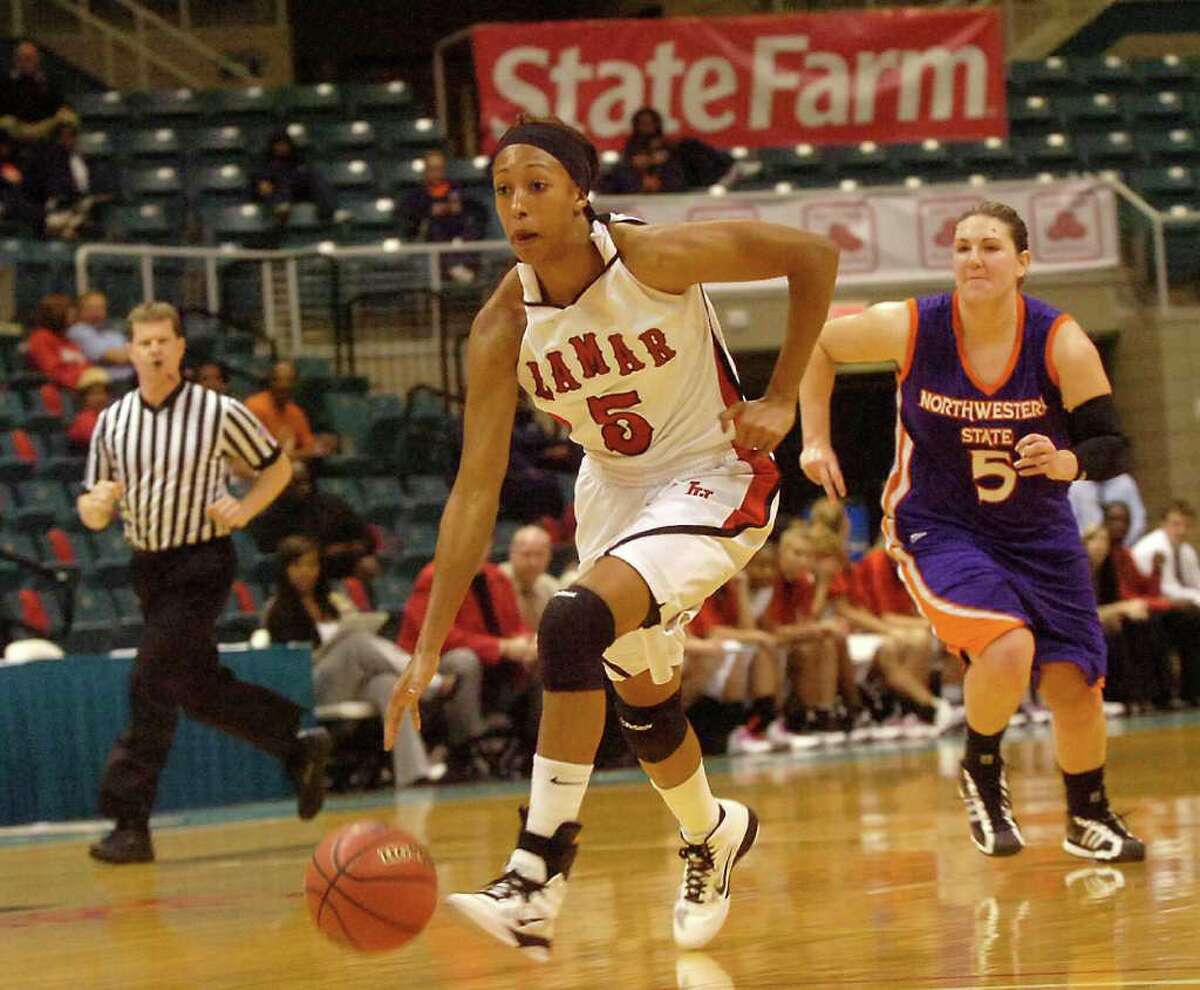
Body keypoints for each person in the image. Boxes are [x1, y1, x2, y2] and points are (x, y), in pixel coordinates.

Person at [381, 114, 838, 957]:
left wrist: (779, 395)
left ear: (581, 192)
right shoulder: (500, 328)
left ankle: (535, 874)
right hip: (614, 499)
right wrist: (425, 645)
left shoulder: (652, 257)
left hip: (714, 473)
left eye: (537, 186)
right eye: (503, 191)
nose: (516, 206)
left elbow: (814, 258)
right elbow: (473, 492)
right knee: (647, 706)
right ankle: (714, 831)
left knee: (568, 621)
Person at [799, 200, 1145, 862]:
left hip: (1039, 530)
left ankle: (1087, 816)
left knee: (1074, 679)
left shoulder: (1058, 338)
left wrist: (1067, 460)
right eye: (962, 247)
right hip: (939, 522)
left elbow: (1112, 442)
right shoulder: (915, 325)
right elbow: (820, 342)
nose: (973, 259)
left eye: (989, 247)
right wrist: (815, 439)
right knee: (1008, 646)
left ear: (1022, 263)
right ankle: (981, 772)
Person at [77, 300, 331, 865]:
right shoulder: (112, 421)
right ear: (131, 350)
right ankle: (294, 746)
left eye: (164, 340)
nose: (155, 350)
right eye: (144, 342)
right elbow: (93, 509)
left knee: (150, 677)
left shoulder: (217, 410)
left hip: (201, 562)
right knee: (187, 685)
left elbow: (278, 467)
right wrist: (95, 506)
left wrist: (244, 511)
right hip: (148, 567)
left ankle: (128, 821)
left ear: (180, 346)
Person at [264, 535, 431, 787]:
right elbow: (287, 662)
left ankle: (414, 773)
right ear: (285, 569)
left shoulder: (335, 603)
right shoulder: (276, 611)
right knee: (356, 643)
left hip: (350, 679)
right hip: (311, 685)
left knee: (388, 684)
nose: (305, 572)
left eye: (311, 565)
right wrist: (335, 648)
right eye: (297, 565)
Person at [398, 549, 538, 780]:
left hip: (496, 668)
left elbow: (514, 626)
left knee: (543, 658)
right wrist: (500, 648)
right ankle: (467, 748)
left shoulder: (497, 577)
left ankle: (537, 748)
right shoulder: (433, 578)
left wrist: (528, 642)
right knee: (464, 661)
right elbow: (437, 636)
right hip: (436, 668)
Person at [249, 460, 377, 581]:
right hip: (299, 573)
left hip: (341, 566)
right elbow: (278, 555)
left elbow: (365, 537)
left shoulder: (331, 504)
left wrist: (349, 549)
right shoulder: (269, 517)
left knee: (368, 565)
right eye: (295, 483)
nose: (304, 488)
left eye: (305, 482)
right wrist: (326, 551)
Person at [1130, 500, 1200, 704]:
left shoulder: (1185, 550)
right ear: (1163, 524)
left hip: (1170, 606)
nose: (1181, 530)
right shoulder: (1153, 547)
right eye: (1176, 524)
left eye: (1186, 525)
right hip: (1147, 604)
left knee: (1192, 619)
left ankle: (1192, 690)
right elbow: (1166, 588)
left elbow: (1195, 583)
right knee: (1191, 621)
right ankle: (1175, 692)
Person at [398, 148, 484, 285]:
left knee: (471, 231)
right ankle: (454, 268)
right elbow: (409, 222)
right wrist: (429, 211)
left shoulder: (457, 190)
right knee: (435, 229)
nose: (436, 173)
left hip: (458, 236)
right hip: (432, 241)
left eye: (439, 168)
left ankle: (460, 268)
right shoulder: (416, 195)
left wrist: (457, 209)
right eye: (432, 169)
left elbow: (478, 212)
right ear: (425, 170)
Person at [244, 360, 335, 463]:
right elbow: (258, 453)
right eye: (278, 380)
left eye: (289, 382)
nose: (283, 385)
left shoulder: (295, 412)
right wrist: (296, 455)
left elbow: (309, 447)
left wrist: (321, 443)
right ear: (270, 382)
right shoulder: (254, 406)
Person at [0, 41, 77, 145]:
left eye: (29, 59)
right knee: (6, 122)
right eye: (21, 59)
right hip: (15, 128)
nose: (25, 63)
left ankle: (64, 154)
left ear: (37, 60)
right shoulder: (5, 82)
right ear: (15, 61)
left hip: (44, 127)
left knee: (68, 117)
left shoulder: (49, 81)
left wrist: (63, 113)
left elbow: (61, 105)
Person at [249, 130, 335, 223]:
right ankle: (281, 206)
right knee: (277, 182)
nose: (282, 148)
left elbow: (303, 180)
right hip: (274, 196)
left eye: (284, 144)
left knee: (315, 178)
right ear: (273, 147)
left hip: (297, 194)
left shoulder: (298, 162)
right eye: (278, 145)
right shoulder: (266, 164)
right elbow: (261, 183)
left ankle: (329, 211)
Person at [498, 524, 559, 630]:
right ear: (512, 553)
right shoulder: (495, 581)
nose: (533, 563)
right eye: (526, 554)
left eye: (539, 555)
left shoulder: (551, 587)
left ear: (549, 556)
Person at [67, 291, 134, 387]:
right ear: (80, 310)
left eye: (100, 308)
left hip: (131, 381)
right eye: (91, 308)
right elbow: (118, 358)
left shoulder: (111, 330)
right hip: (106, 387)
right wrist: (137, 354)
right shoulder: (78, 331)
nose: (96, 312)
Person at [25, 293, 91, 389]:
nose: (74, 314)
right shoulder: (40, 338)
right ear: (57, 312)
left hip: (83, 389)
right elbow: (52, 372)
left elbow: (86, 365)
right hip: (60, 392)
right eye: (69, 311)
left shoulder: (67, 340)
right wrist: (83, 380)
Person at [1068, 472, 1146, 544]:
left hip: (1122, 546)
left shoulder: (1125, 483)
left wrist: (1120, 546)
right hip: (1084, 547)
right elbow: (1070, 523)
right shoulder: (1077, 486)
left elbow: (1138, 522)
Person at [67, 366, 111, 451]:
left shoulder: (111, 415)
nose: (100, 398)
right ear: (83, 397)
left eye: (103, 393)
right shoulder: (82, 420)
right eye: (94, 394)